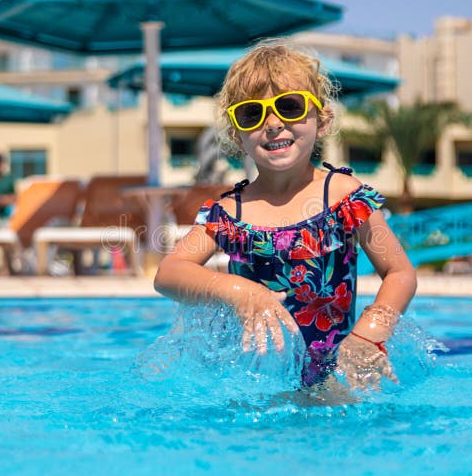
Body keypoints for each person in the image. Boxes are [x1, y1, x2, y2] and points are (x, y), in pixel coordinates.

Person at [154, 41, 417, 390]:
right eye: (252, 114)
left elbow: (399, 272)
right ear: (237, 135)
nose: (274, 124)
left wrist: (369, 335)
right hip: (258, 379)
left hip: (333, 374)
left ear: (322, 120)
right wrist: (239, 290)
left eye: (290, 107)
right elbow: (168, 273)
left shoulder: (343, 196)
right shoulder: (232, 212)